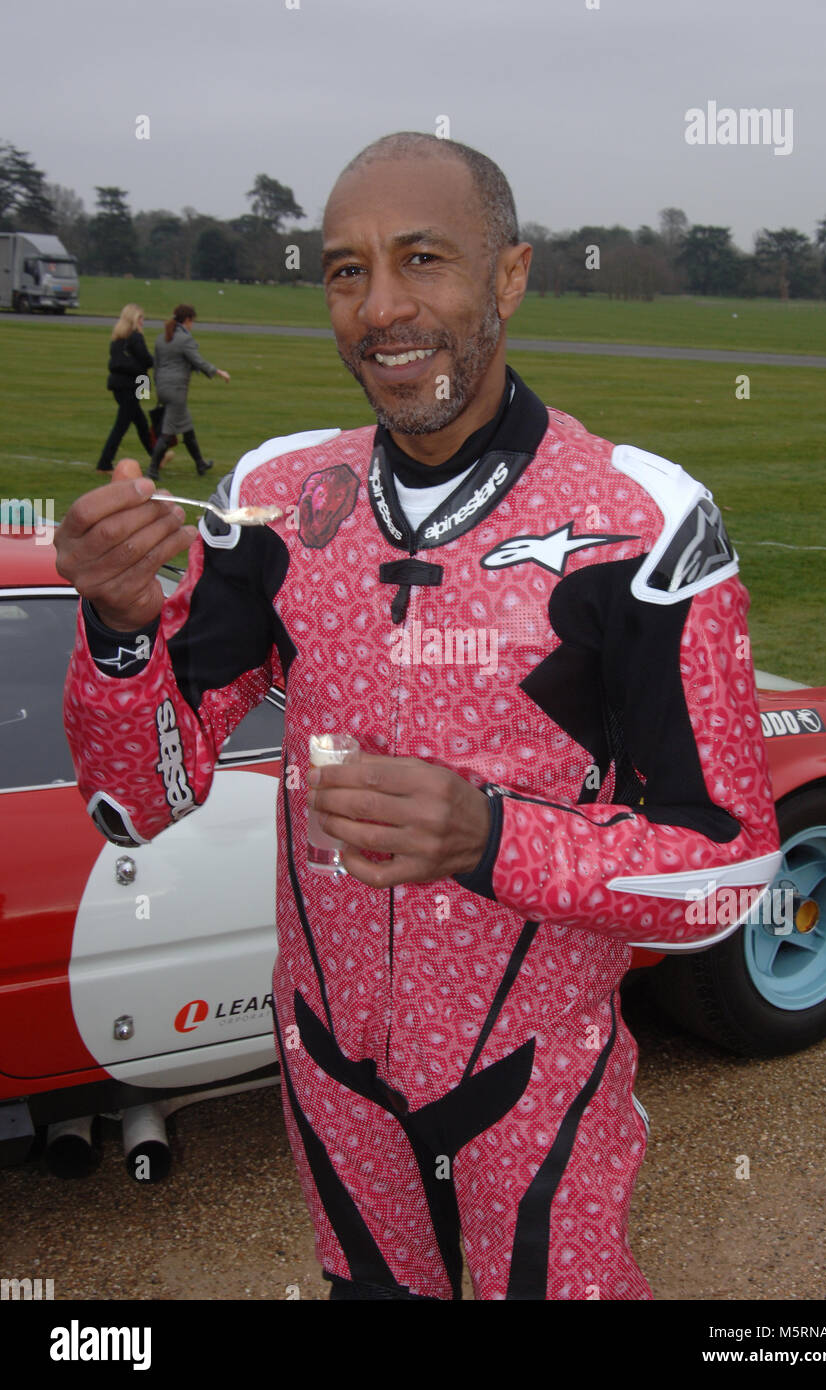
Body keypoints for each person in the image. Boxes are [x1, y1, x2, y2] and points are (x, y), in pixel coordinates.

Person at [54, 132, 781, 1300]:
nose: (380, 307)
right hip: (328, 1068)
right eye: (346, 271)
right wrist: (120, 628)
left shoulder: (643, 522)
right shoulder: (276, 498)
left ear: (507, 278)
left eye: (421, 259)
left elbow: (730, 870)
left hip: (530, 1073)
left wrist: (489, 836)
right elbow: (141, 800)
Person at [147, 303, 230, 480]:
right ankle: (152, 469)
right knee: (168, 432)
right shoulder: (185, 340)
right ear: (187, 320)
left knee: (187, 427)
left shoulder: (162, 338)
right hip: (177, 390)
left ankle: (200, 464)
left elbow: (157, 365)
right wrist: (218, 372)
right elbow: (198, 361)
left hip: (163, 388)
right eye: (192, 321)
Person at [95, 304, 154, 472]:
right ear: (134, 319)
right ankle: (104, 463)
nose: (143, 321)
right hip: (131, 386)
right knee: (121, 426)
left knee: (141, 422)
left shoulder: (118, 338)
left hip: (118, 386)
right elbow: (146, 360)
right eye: (141, 318)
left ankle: (156, 457)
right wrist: (159, 361)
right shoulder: (136, 337)